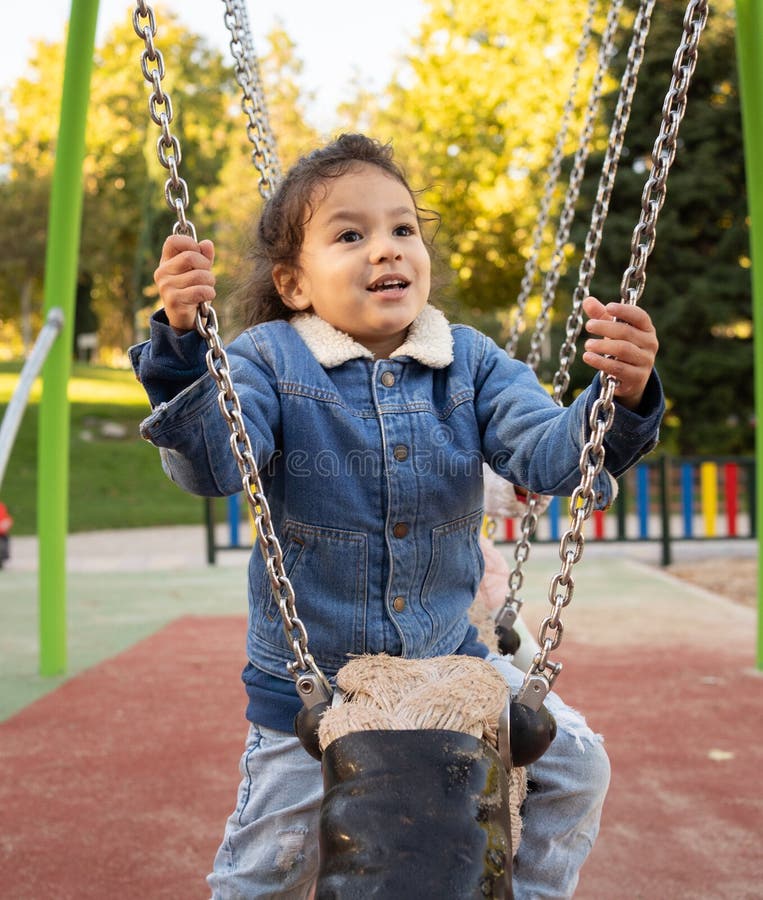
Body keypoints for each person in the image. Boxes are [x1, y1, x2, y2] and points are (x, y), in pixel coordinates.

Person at [130, 133, 664, 899]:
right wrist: (186, 350)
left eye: (402, 228)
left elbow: (551, 456)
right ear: (293, 283)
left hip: (451, 663)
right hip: (313, 683)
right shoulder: (266, 361)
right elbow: (215, 465)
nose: (385, 249)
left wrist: (621, 396)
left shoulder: (472, 363)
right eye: (350, 234)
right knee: (268, 867)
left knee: (578, 767)